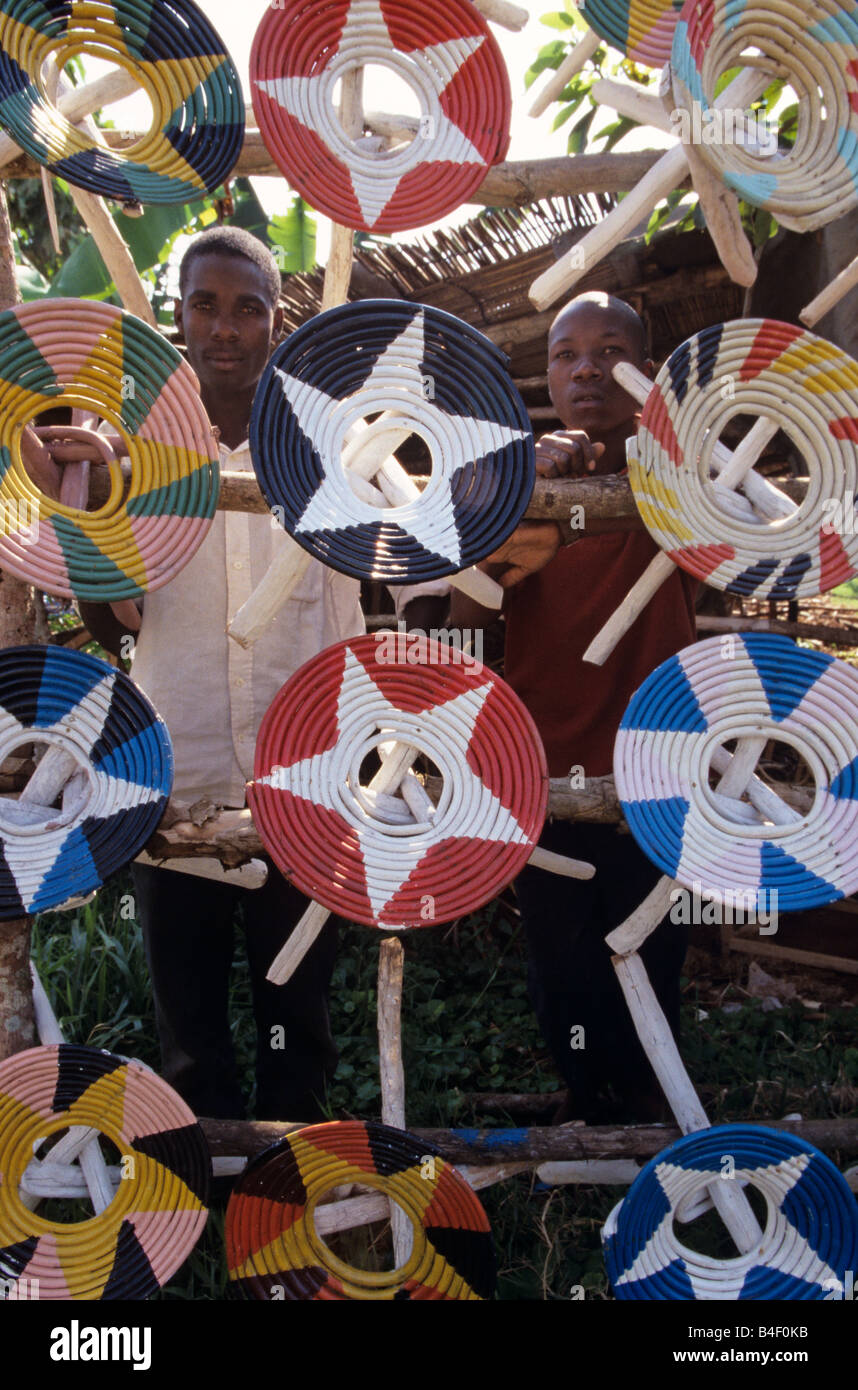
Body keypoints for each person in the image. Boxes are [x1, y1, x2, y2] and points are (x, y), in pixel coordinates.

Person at [76, 227, 365, 1122]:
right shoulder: (133, 461)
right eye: (206, 306)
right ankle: (197, 1193)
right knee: (190, 1026)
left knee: (299, 1016)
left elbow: (382, 597)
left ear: (276, 323)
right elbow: (110, 622)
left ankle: (293, 1181)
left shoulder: (332, 457)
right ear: (179, 316)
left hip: (300, 780)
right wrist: (96, 500)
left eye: (248, 309)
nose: (226, 329)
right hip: (178, 777)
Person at [452, 291, 698, 1123]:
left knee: (655, 951)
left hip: (657, 767)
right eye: (566, 354)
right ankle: (594, 1113)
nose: (587, 368)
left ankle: (651, 1113)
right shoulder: (508, 479)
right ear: (548, 375)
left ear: (645, 373)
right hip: (543, 770)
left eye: (609, 350)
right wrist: (519, 514)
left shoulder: (685, 482)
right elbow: (460, 629)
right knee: (563, 963)